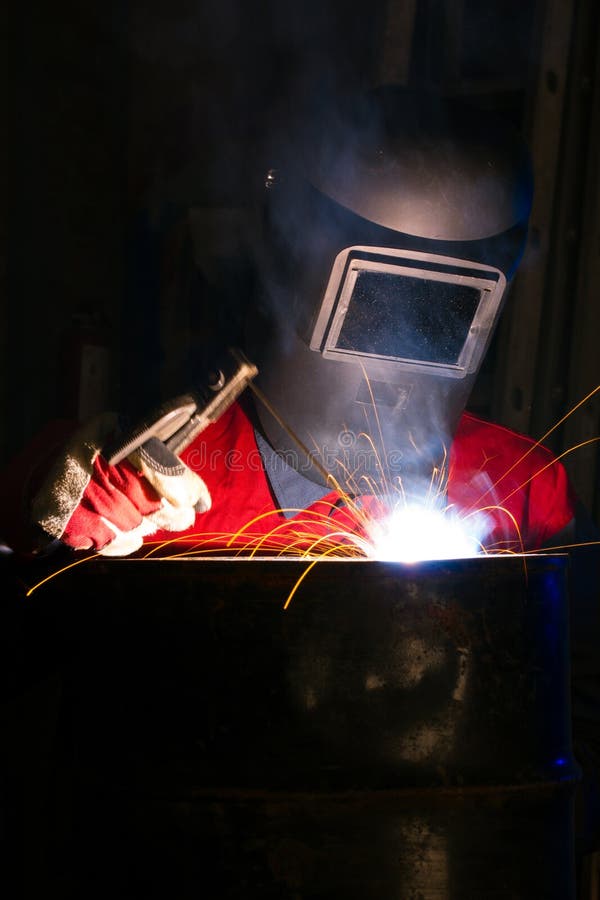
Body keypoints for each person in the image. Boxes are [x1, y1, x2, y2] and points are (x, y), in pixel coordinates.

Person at [1, 85, 599, 864]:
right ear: (298, 259)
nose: (399, 353)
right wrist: (40, 529)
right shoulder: (171, 481)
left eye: (442, 312)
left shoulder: (521, 481)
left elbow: (573, 710)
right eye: (380, 299)